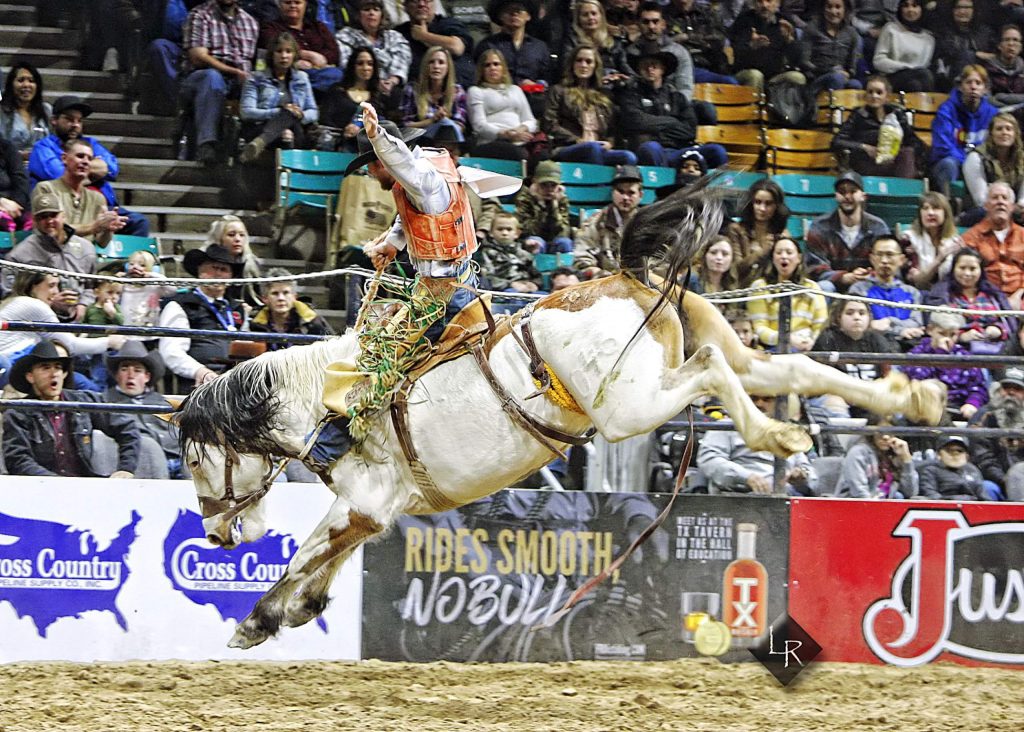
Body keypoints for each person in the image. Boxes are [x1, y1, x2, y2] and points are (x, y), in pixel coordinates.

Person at [312, 101, 520, 469]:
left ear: (382, 161)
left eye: (374, 165)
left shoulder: (418, 174)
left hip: (442, 293)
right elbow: (414, 210)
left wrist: (377, 137)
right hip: (456, 282)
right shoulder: (427, 177)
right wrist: (392, 243)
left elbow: (405, 169)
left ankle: (325, 451)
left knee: (380, 359)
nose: (373, 176)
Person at [2, 341, 139, 478]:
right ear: (30, 376)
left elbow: (127, 427)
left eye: (58, 367)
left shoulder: (83, 401)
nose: (54, 374)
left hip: (84, 486)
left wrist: (126, 468)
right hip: (39, 490)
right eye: (45, 368)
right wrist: (58, 484)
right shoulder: (19, 412)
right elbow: (18, 460)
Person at [27, 96, 150, 236]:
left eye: (79, 121)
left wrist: (79, 168)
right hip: (62, 206)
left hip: (98, 205)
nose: (75, 125)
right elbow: (60, 175)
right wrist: (95, 170)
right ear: (54, 120)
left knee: (138, 222)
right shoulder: (43, 147)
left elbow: (111, 168)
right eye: (69, 119)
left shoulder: (90, 143)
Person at [0, 271, 125, 389]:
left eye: (57, 286)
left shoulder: (15, 301)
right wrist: (110, 342)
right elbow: (70, 345)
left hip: (15, 364)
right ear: (33, 286)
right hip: (13, 366)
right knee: (83, 383)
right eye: (51, 286)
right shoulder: (33, 305)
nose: (56, 292)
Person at [617, 43, 727, 169]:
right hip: (651, 150)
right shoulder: (631, 96)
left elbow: (689, 130)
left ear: (662, 69)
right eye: (645, 65)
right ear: (638, 69)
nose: (649, 69)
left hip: (680, 150)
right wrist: (672, 122)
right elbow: (635, 121)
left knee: (716, 150)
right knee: (651, 147)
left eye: (654, 65)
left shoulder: (677, 97)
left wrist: (654, 131)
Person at [179, 0, 260, 166]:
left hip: (239, 80)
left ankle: (250, 150)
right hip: (199, 77)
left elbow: (253, 61)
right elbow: (198, 57)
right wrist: (233, 71)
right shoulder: (200, 15)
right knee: (211, 77)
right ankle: (207, 144)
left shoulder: (250, 22)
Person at [158, 244, 249, 389]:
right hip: (197, 385)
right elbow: (171, 352)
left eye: (224, 269)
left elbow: (246, 348)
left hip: (235, 384)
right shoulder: (180, 305)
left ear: (230, 277)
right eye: (213, 268)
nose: (218, 274)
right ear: (200, 271)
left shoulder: (238, 309)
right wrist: (199, 371)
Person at [1, 190, 100, 320]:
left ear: (63, 216)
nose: (49, 221)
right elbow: (9, 296)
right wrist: (48, 302)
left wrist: (83, 304)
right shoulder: (18, 256)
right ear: (35, 221)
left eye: (53, 215)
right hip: (37, 321)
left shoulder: (86, 248)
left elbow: (91, 286)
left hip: (81, 318)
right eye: (43, 217)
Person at [696, 393, 818, 496]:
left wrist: (801, 474)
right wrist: (747, 477)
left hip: (784, 496)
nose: (759, 404)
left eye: (767, 399)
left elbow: (808, 471)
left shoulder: (788, 431)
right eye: (754, 399)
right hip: (738, 495)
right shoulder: (727, 427)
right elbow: (709, 459)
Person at [542, 44, 637, 167]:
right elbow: (549, 124)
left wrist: (610, 143)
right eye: (579, 60)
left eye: (588, 62)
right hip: (567, 147)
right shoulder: (558, 90)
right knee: (592, 148)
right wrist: (577, 140)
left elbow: (612, 129)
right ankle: (598, 185)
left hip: (598, 147)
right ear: (572, 64)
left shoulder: (604, 95)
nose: (583, 65)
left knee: (629, 157)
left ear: (595, 66)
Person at [103, 341, 184, 479]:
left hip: (178, 456)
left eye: (137, 370)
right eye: (124, 369)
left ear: (147, 376)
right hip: (141, 462)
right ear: (117, 375)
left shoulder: (162, 402)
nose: (130, 375)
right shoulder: (106, 401)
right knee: (149, 446)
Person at [32, 139, 129, 249]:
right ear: (64, 158)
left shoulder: (97, 197)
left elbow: (102, 243)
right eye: (80, 156)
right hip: (51, 254)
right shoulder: (46, 188)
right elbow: (52, 231)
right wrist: (93, 227)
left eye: (89, 158)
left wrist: (108, 228)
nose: (85, 161)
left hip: (84, 259)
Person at [239, 31, 319, 163]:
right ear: (271, 54)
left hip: (295, 129)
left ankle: (261, 142)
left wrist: (300, 114)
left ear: (294, 55)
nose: (284, 56)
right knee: (286, 130)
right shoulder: (256, 78)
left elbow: (313, 112)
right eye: (279, 51)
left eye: (288, 51)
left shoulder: (302, 78)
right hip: (260, 127)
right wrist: (280, 112)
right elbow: (246, 112)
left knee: (290, 125)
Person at [805, 170, 891, 291]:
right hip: (833, 287)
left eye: (853, 191)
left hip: (868, 286)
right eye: (842, 192)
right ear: (836, 196)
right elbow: (814, 268)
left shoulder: (878, 227)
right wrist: (844, 277)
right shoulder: (820, 226)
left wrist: (869, 274)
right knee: (824, 287)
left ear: (863, 196)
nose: (847, 196)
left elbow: (888, 262)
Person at [811, 299, 899, 417]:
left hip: (870, 397)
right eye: (850, 313)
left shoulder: (877, 340)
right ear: (839, 317)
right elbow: (819, 381)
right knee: (835, 404)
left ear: (869, 318)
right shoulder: (828, 338)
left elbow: (889, 375)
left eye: (862, 313)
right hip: (837, 396)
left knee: (895, 407)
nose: (857, 317)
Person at [901, 311, 989, 421]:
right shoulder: (916, 354)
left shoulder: (964, 356)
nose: (947, 340)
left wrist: (972, 404)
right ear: (930, 330)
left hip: (960, 411)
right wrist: (940, 355)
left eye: (952, 335)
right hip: (925, 412)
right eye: (942, 334)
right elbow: (916, 381)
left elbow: (978, 387)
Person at [831, 74, 921, 179]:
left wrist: (894, 152)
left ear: (887, 97)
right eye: (870, 92)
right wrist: (864, 147)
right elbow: (837, 142)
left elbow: (913, 141)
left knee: (907, 153)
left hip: (893, 161)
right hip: (866, 162)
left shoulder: (897, 115)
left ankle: (904, 192)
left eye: (879, 92)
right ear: (865, 96)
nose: (874, 96)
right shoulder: (858, 115)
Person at [924, 248, 1015, 350]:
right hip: (956, 350)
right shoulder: (941, 294)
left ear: (981, 270)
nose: (967, 273)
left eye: (972, 269)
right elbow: (936, 327)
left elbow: (1010, 325)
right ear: (953, 269)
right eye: (962, 268)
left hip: (997, 349)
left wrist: (999, 330)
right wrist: (961, 336)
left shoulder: (994, 294)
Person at [747, 237, 828, 351]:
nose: (784, 256)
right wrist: (787, 339)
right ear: (773, 258)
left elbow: (820, 325)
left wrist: (812, 343)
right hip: (773, 348)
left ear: (799, 258)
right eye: (779, 253)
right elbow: (760, 328)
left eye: (789, 252)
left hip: (807, 347)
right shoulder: (760, 287)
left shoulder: (812, 287)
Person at [930, 64, 999, 197]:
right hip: (953, 162)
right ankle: (949, 205)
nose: (973, 87)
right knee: (948, 164)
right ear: (961, 86)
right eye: (969, 82)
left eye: (978, 83)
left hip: (981, 164)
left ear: (985, 89)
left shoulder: (992, 114)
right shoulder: (946, 111)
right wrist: (968, 163)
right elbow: (942, 147)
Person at [848, 235, 924, 345]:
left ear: (901, 259)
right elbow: (863, 325)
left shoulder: (912, 292)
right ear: (872, 259)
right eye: (879, 255)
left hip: (908, 345)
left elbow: (916, 323)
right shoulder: (859, 290)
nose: (884, 260)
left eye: (890, 255)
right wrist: (900, 330)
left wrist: (889, 322)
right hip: (872, 346)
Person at [466, 49, 538, 161]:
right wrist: (507, 134)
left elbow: (531, 121)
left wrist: (520, 129)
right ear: (482, 70)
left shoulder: (516, 90)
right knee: (518, 154)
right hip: (492, 142)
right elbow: (479, 126)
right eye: (487, 65)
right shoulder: (476, 91)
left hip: (520, 139)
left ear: (503, 68)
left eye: (496, 64)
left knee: (542, 156)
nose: (492, 68)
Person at [573, 164, 643, 278]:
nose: (625, 197)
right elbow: (582, 257)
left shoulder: (648, 224)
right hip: (602, 284)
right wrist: (596, 272)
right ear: (612, 193)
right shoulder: (595, 222)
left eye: (631, 192)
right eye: (620, 191)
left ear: (640, 195)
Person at [962, 180, 1024, 307]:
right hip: (985, 298)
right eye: (995, 198)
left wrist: (1018, 295)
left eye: (1004, 198)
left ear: (1012, 206)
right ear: (986, 205)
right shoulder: (971, 236)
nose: (1000, 202)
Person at [336, 0, 412, 102]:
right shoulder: (345, 35)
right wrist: (376, 81)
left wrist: (392, 81)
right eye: (366, 10)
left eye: (376, 10)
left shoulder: (394, 36)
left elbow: (402, 60)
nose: (371, 13)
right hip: (360, 84)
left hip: (391, 86)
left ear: (382, 15)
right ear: (358, 15)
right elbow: (346, 63)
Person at [258, 0, 343, 92]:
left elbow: (334, 53)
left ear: (305, 5)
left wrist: (318, 61)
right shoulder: (270, 28)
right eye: (288, 2)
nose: (293, 6)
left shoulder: (318, 27)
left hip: (323, 72)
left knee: (339, 75)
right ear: (280, 5)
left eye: (297, 2)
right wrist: (311, 56)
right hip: (291, 73)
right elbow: (275, 48)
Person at [728, 0, 807, 92]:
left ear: (778, 3)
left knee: (797, 77)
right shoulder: (743, 20)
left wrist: (789, 40)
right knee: (756, 75)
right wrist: (752, 46)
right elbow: (736, 57)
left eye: (769, 1)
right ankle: (753, 106)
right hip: (746, 73)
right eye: (760, 1)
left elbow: (798, 61)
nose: (764, 5)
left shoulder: (784, 22)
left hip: (774, 77)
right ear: (754, 4)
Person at [395, 0, 475, 90]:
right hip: (416, 91)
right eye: (415, 1)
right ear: (405, 6)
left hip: (457, 89)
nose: (421, 4)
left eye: (427, 1)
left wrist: (423, 36)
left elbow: (456, 48)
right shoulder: (398, 34)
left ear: (435, 4)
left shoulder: (448, 24)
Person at [970, 366, 1024, 500]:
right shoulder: (984, 416)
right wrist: (1006, 480)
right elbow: (982, 457)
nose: (1011, 392)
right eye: (1006, 388)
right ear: (998, 390)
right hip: (996, 481)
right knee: (987, 487)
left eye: (1017, 389)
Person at [726, 178, 792, 286]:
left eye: (768, 203)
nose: (762, 208)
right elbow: (735, 270)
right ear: (750, 203)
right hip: (742, 289)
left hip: (772, 289)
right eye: (757, 202)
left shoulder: (782, 235)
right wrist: (762, 252)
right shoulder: (736, 230)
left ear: (777, 206)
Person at [834, 417, 919, 498]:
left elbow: (910, 492)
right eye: (880, 431)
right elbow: (859, 492)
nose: (885, 437)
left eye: (890, 431)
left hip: (885, 507)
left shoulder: (896, 455)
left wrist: (906, 459)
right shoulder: (858, 452)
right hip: (857, 507)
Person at [475, 0, 551, 90]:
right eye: (508, 10)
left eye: (519, 10)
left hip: (533, 98)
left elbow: (547, 77)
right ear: (500, 16)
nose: (514, 14)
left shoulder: (540, 47)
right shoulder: (487, 45)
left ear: (528, 16)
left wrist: (537, 85)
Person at [249, 268, 333, 348]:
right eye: (275, 293)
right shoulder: (254, 324)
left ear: (294, 297)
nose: (281, 298)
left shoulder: (313, 322)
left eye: (286, 293)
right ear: (265, 299)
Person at [962, 113, 1024, 218]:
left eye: (1009, 129)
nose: (1004, 133)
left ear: (1015, 134)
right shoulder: (976, 158)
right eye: (999, 129)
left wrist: (1020, 207)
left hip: (1014, 211)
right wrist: (1009, 209)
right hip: (982, 212)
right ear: (991, 134)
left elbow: (1023, 199)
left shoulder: (1021, 159)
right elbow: (981, 200)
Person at [400, 46, 468, 142]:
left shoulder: (457, 91)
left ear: (448, 67)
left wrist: (443, 121)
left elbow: (460, 126)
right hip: (420, 139)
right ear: (425, 66)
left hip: (449, 138)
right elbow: (406, 125)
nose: (436, 66)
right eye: (431, 62)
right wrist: (433, 120)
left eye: (441, 62)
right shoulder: (412, 89)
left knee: (447, 124)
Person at [900, 192, 962, 289]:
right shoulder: (908, 240)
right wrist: (939, 259)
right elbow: (917, 282)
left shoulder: (955, 242)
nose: (930, 213)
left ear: (945, 214)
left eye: (936, 208)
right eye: (925, 208)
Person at [664, 0, 734, 85]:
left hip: (713, 64)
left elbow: (719, 39)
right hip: (683, 67)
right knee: (729, 82)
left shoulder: (707, 12)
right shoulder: (663, 15)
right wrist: (703, 40)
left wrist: (687, 37)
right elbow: (665, 42)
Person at [872, 0, 934, 92]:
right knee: (922, 76)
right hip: (891, 77)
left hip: (918, 78)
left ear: (922, 9)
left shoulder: (928, 38)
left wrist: (913, 70)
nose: (910, 10)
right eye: (906, 6)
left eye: (915, 5)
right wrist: (905, 67)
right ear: (900, 9)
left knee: (917, 82)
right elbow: (878, 61)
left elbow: (924, 65)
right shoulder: (890, 29)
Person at [567, 0, 634, 84]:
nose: (591, 18)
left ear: (601, 16)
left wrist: (620, 79)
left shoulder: (615, 43)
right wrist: (598, 81)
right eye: (585, 15)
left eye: (594, 13)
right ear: (578, 19)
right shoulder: (571, 41)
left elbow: (630, 75)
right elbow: (566, 72)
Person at [801, 0, 862, 92]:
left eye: (838, 7)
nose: (833, 12)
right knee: (836, 78)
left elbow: (852, 66)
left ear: (845, 10)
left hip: (842, 76)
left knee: (855, 84)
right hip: (817, 77)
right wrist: (829, 71)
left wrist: (848, 73)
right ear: (823, 9)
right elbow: (804, 62)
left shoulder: (851, 33)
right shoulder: (811, 28)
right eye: (829, 7)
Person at [204, 214, 263, 308]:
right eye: (231, 235)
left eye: (242, 235)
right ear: (220, 238)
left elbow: (256, 300)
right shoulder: (204, 262)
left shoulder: (251, 264)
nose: (238, 239)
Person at [514, 159, 573, 254]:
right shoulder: (524, 198)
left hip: (554, 241)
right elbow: (527, 231)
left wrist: (555, 206)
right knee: (536, 242)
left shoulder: (562, 199)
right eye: (544, 185)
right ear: (535, 182)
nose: (549, 189)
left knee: (565, 243)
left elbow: (564, 232)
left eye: (553, 185)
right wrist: (540, 205)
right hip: (532, 239)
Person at [933, 0, 994, 91]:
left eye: (967, 8)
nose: (962, 11)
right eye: (958, 7)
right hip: (951, 74)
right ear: (952, 10)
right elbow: (949, 52)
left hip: (982, 73)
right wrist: (976, 54)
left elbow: (993, 55)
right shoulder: (944, 31)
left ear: (974, 10)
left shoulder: (985, 32)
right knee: (967, 56)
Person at [475, 213, 543, 293]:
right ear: (491, 233)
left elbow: (536, 275)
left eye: (509, 229)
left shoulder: (524, 254)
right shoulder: (485, 253)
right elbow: (487, 278)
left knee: (543, 296)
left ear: (517, 233)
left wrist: (534, 284)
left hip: (525, 287)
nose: (504, 233)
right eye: (500, 229)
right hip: (502, 291)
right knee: (513, 294)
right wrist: (510, 284)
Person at [0, 61, 51, 161]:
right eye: (20, 80)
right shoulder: (1, 111)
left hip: (42, 165)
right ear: (11, 84)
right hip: (8, 166)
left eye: (31, 81)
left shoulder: (46, 110)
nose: (26, 85)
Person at [918, 435, 994, 500]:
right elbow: (931, 496)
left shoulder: (972, 470)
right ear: (939, 454)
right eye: (949, 450)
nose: (955, 454)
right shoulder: (930, 471)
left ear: (966, 455)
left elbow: (984, 497)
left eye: (959, 451)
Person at [981, 24, 1024, 105]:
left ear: (1020, 47)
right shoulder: (986, 70)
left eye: (1015, 40)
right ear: (999, 45)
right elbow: (987, 99)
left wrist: (1000, 97)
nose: (1011, 44)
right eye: (1007, 40)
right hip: (997, 114)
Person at [0, 136, 29, 232]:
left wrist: (17, 203)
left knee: (33, 223)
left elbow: (20, 178)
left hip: (14, 205)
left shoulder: (6, 146)